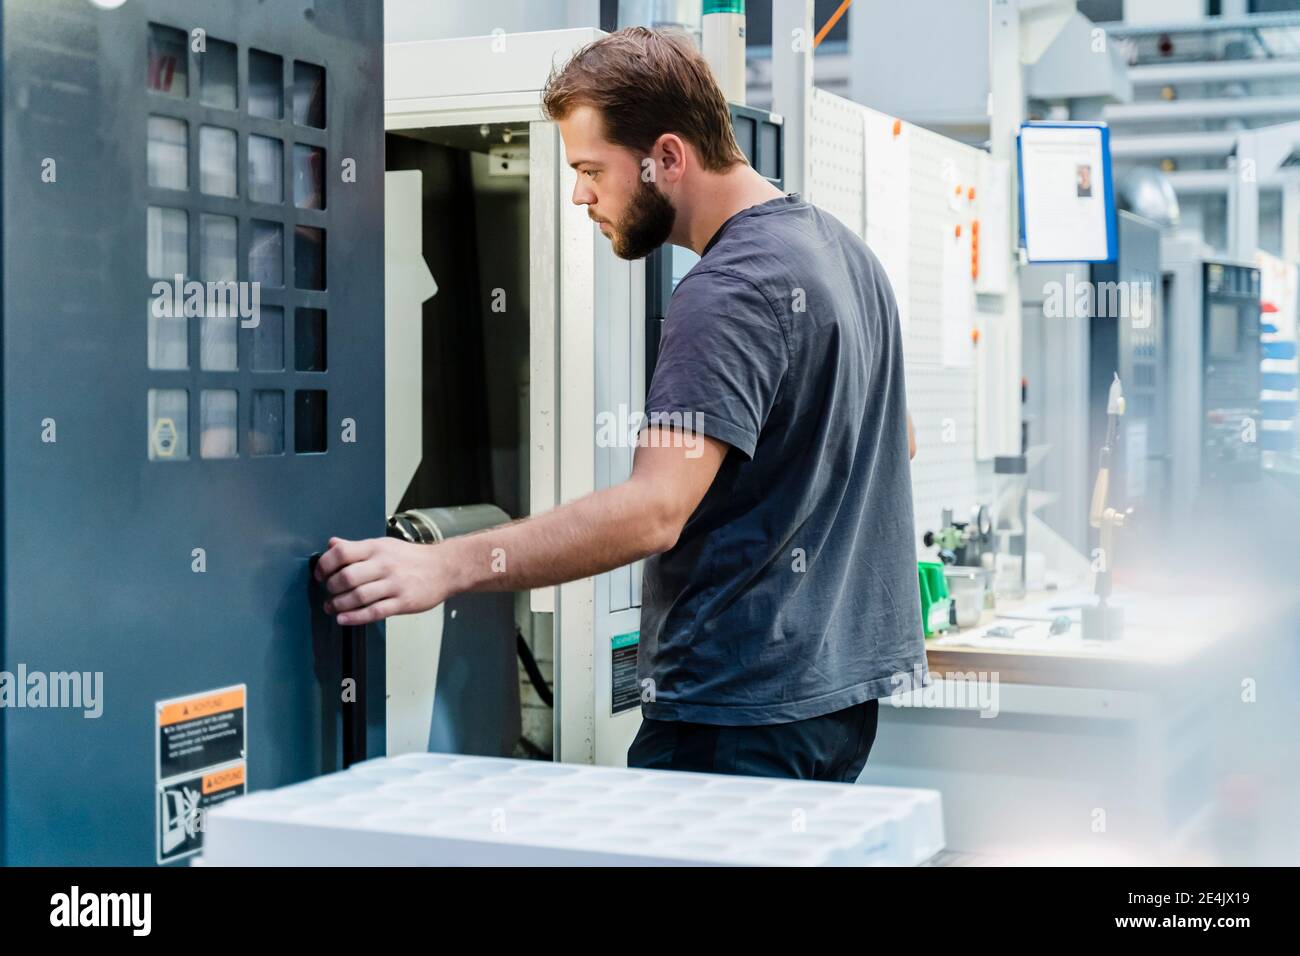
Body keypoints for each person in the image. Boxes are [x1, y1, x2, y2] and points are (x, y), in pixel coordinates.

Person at [315, 27, 925, 781]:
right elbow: (897, 441)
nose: (579, 194)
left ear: (666, 157)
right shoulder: (843, 253)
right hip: (830, 706)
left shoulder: (730, 288)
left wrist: (442, 567)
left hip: (733, 718)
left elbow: (653, 511)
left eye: (590, 169)